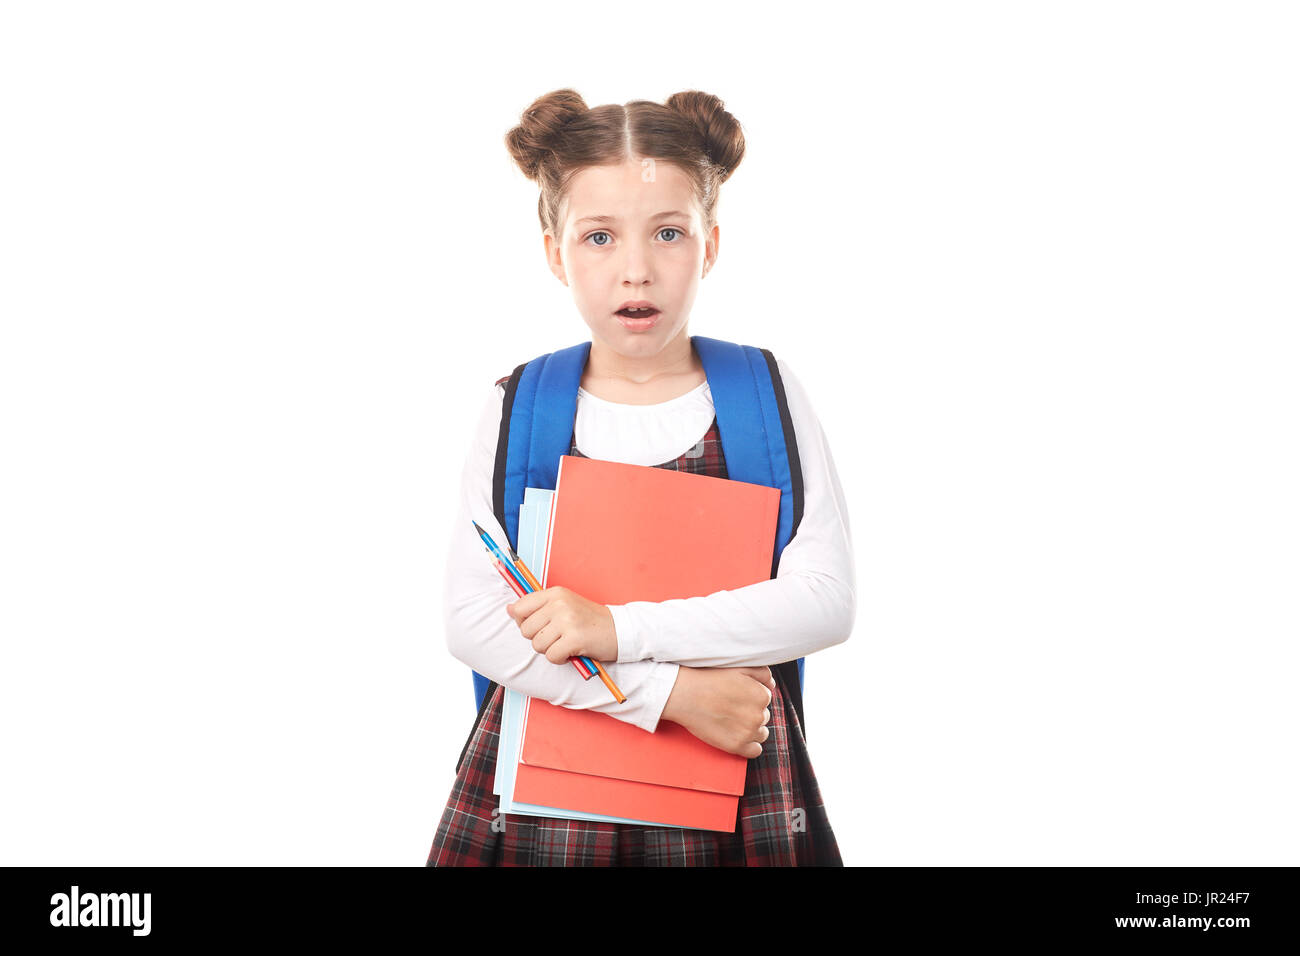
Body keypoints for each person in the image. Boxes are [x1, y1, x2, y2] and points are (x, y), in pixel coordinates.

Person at [426, 88, 856, 866]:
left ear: (711, 246)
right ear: (555, 252)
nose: (636, 270)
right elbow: (474, 622)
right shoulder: (518, 405)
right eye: (598, 237)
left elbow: (824, 603)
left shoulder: (767, 395)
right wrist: (674, 697)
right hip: (549, 804)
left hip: (736, 796)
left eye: (668, 233)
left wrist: (615, 631)